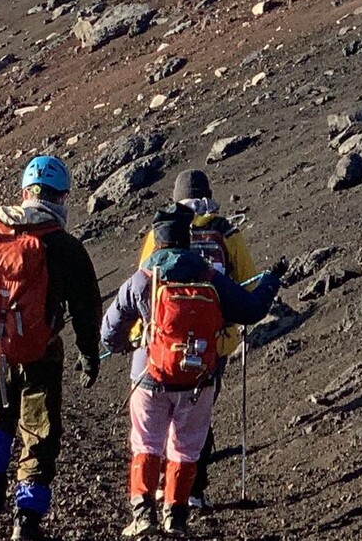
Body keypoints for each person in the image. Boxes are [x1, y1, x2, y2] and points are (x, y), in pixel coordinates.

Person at [104, 205, 282, 537]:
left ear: (157, 241)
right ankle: (176, 517)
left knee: (146, 444)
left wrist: (125, 346)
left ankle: (143, 515)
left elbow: (109, 331)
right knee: (185, 447)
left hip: (149, 376)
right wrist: (270, 283)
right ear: (187, 240)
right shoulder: (209, 276)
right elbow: (251, 309)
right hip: (200, 378)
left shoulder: (142, 279)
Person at [0, 155, 102, 541]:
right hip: (42, 353)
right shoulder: (64, 246)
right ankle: (27, 518)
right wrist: (89, 352)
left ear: (24, 192)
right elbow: (87, 307)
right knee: (39, 432)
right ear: (62, 196)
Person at [138, 168, 261, 512]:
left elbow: (144, 284)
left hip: (162, 343)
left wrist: (136, 335)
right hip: (213, 342)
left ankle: (162, 487)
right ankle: (193, 491)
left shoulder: (160, 231)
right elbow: (247, 283)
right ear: (208, 194)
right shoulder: (225, 231)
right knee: (196, 416)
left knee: (158, 416)